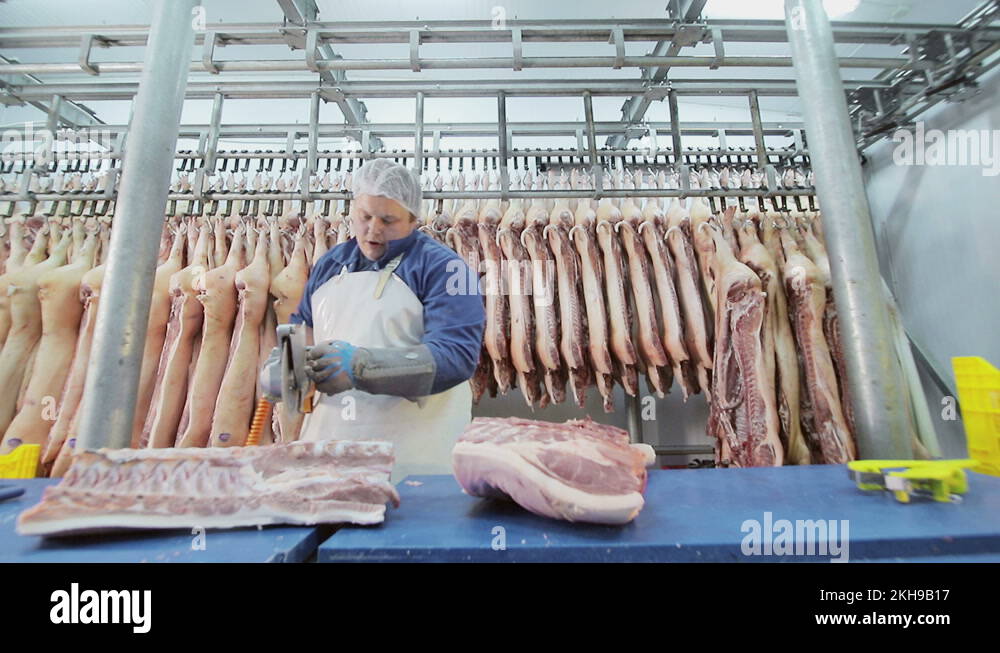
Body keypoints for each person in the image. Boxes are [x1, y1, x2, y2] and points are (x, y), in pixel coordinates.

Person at [262, 159, 485, 481]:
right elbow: (301, 332)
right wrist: (284, 366)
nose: (373, 229)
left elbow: (457, 357)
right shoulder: (329, 264)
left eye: (388, 220)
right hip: (329, 451)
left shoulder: (450, 269)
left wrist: (362, 366)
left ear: (413, 219)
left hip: (411, 459)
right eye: (364, 216)